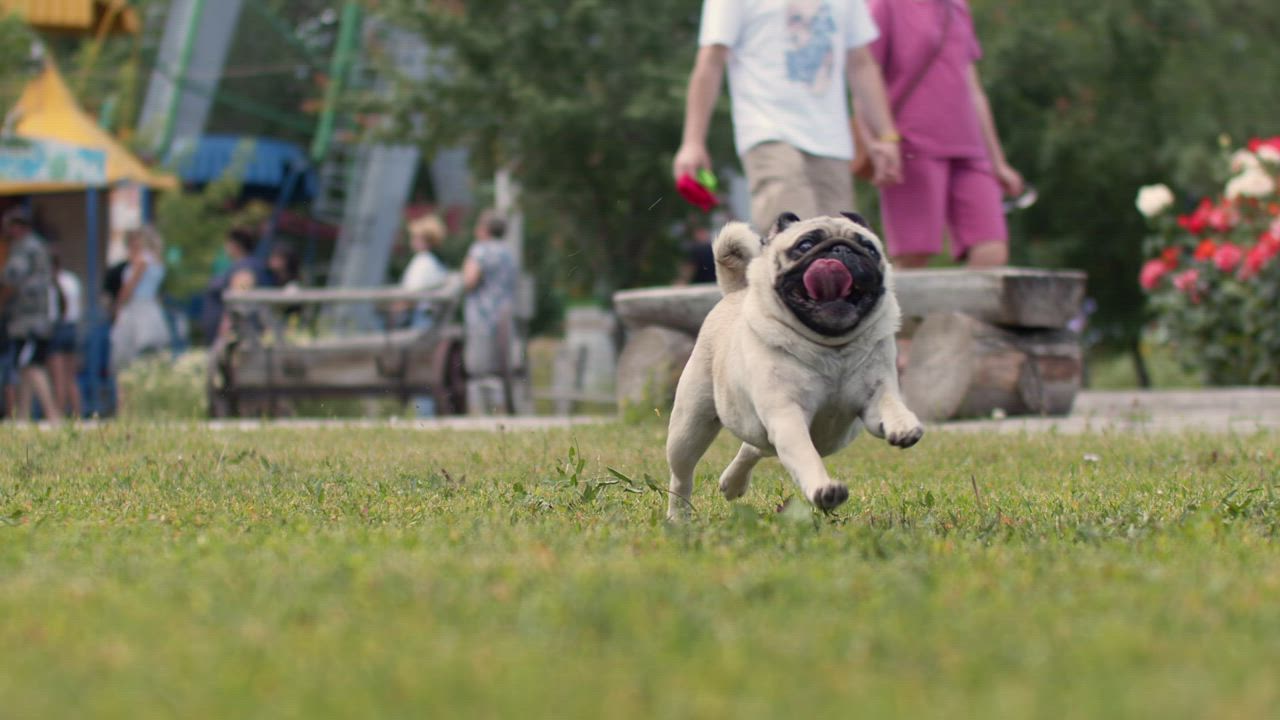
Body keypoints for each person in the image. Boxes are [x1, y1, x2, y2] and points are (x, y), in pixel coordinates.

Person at [673, 0, 903, 233]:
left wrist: (886, 135)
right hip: (769, 131)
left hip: (831, 141)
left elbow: (861, 64)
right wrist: (693, 142)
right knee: (795, 240)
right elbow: (711, 61)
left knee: (840, 244)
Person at [862, 0, 1024, 268]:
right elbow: (865, 72)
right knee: (914, 255)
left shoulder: (956, 6)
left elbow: (973, 89)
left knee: (992, 252)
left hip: (969, 147)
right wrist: (878, 141)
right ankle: (904, 312)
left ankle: (958, 313)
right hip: (912, 144)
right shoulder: (885, 5)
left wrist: (998, 162)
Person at [0, 207, 62, 422]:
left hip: (27, 319)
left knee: (32, 366)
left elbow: (11, 279)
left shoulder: (24, 248)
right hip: (38, 316)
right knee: (25, 367)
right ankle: (23, 416)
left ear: (17, 228)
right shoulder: (39, 246)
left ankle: (53, 415)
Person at [462, 209, 518, 416]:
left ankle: (478, 412)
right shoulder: (508, 253)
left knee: (479, 369)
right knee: (499, 368)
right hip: (504, 316)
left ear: (484, 229)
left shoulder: (480, 250)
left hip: (481, 316)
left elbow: (469, 280)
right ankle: (501, 409)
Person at [110, 226, 170, 374]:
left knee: (128, 360)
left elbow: (129, 287)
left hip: (136, 311)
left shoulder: (142, 261)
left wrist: (118, 305)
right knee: (150, 361)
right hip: (151, 310)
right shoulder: (157, 260)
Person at [201, 227, 269, 342]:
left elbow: (238, 300)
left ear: (234, 244)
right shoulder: (244, 265)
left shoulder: (244, 267)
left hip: (236, 336)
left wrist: (226, 325)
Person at [396, 213, 449, 328]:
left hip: (418, 316)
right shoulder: (435, 261)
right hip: (427, 316)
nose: (412, 240)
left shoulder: (423, 261)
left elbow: (413, 292)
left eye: (415, 237)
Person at [48, 250, 83, 419]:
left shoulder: (51, 283)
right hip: (72, 327)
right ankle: (77, 412)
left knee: (58, 377)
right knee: (71, 377)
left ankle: (59, 413)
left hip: (57, 328)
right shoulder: (72, 280)